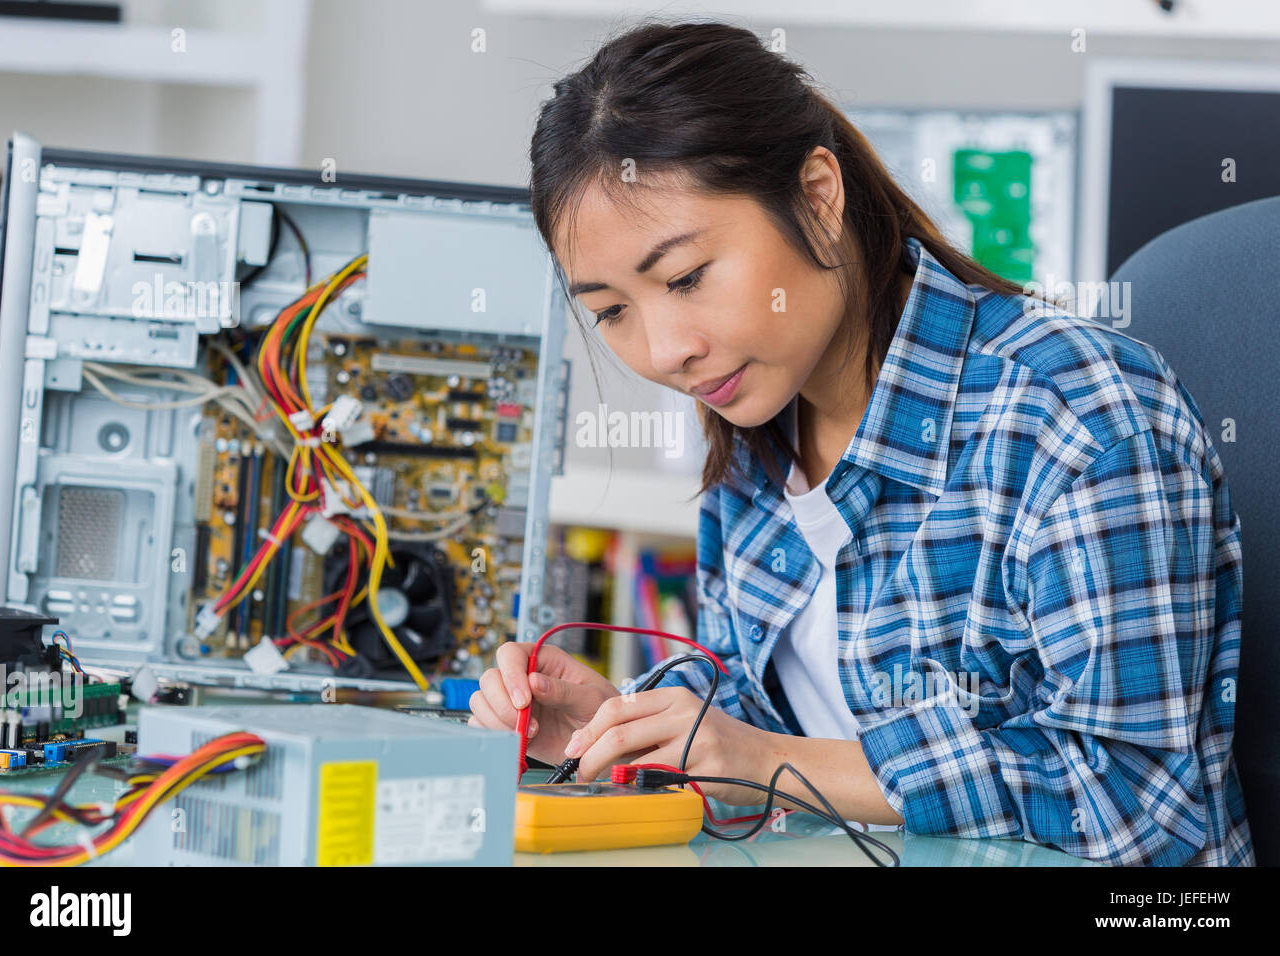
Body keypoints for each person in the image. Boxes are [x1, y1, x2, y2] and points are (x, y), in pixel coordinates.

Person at [467, 19, 1254, 865]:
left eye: (688, 277)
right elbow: (765, 712)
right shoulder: (753, 429)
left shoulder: (1072, 417)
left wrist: (768, 763)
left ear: (817, 194)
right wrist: (621, 727)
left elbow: (1133, 802)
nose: (664, 351)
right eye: (613, 312)